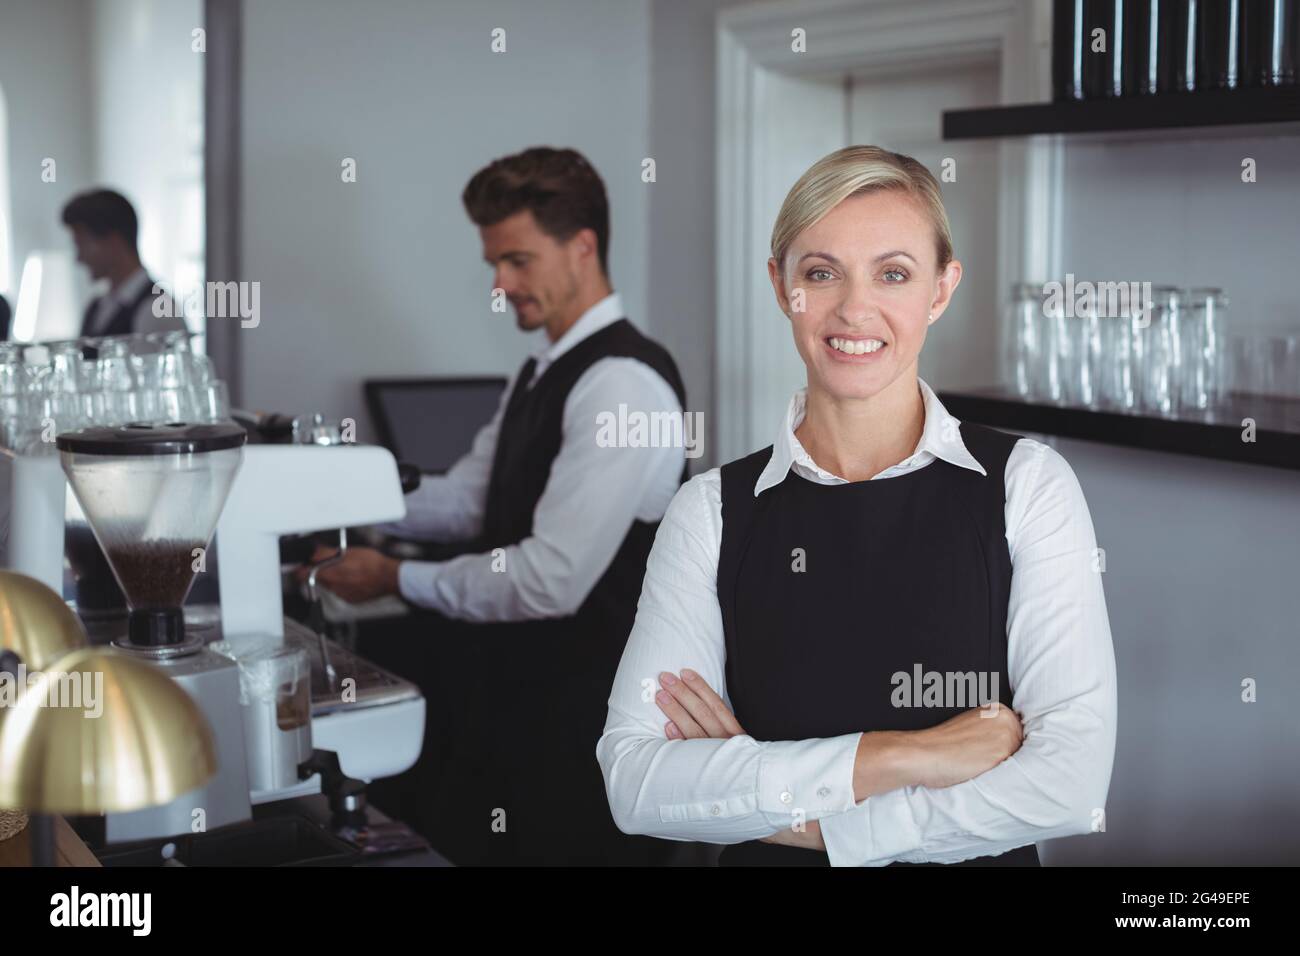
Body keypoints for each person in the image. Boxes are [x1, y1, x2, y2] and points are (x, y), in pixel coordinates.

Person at [598, 145, 1118, 866]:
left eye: (894, 274)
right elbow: (636, 784)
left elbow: (1069, 785)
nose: (854, 308)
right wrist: (908, 755)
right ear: (782, 287)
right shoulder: (711, 512)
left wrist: (773, 806)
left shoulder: (1026, 486)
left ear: (940, 291)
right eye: (821, 273)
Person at [311, 147, 686, 866]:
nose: (500, 283)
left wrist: (394, 577)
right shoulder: (541, 372)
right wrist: (329, 486)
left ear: (583, 247)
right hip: (521, 709)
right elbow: (467, 499)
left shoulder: (622, 386)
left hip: (590, 728)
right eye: (494, 263)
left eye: (517, 261)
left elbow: (549, 577)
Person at [61, 189, 186, 340]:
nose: (79, 258)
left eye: (82, 245)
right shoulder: (96, 307)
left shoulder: (158, 309)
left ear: (113, 242)